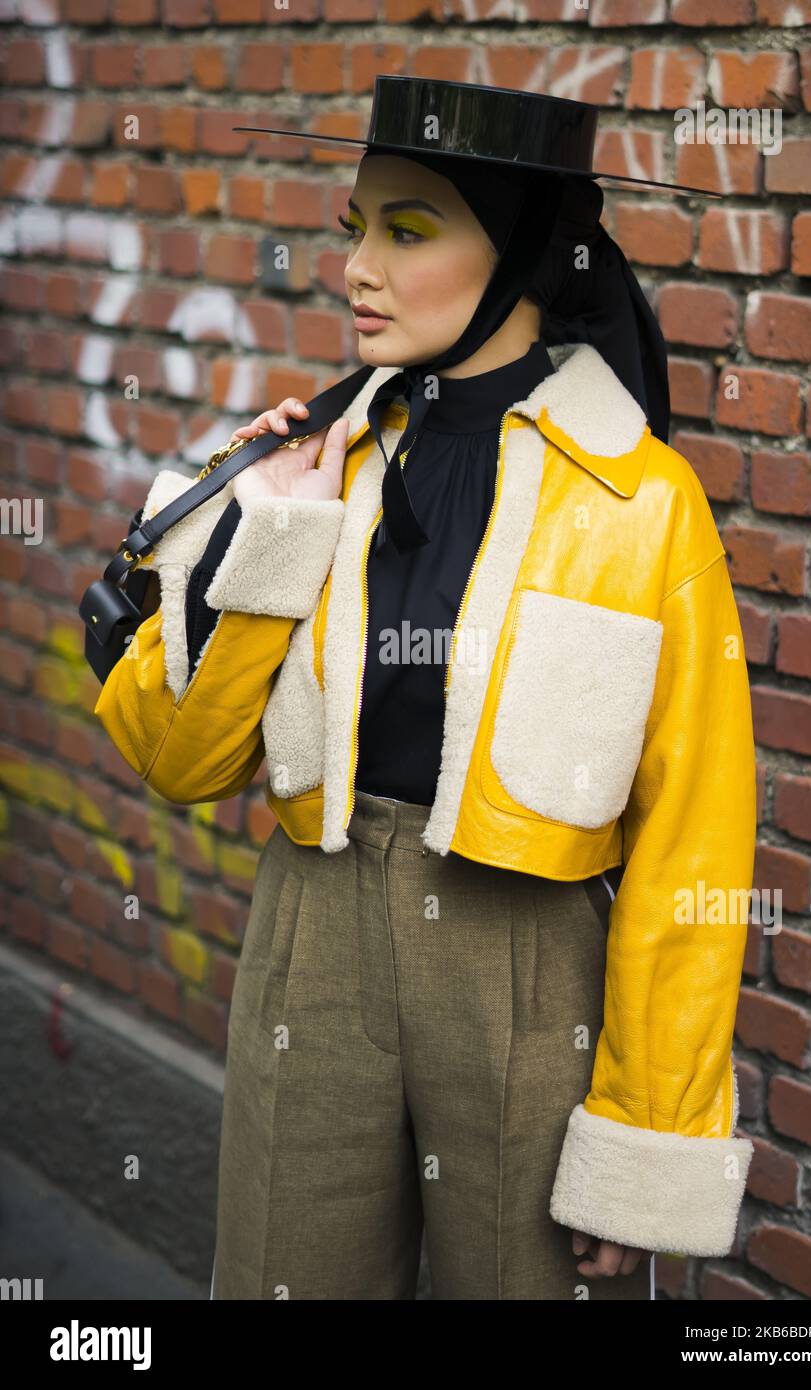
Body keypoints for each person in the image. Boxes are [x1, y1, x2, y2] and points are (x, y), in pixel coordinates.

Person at [92, 79, 756, 1300]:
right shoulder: (304, 458)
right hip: (315, 936)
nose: (355, 265)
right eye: (353, 226)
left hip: (523, 968)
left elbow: (690, 838)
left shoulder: (643, 507)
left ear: (516, 261)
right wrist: (270, 536)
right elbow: (179, 760)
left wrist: (639, 1135)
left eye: (406, 230)